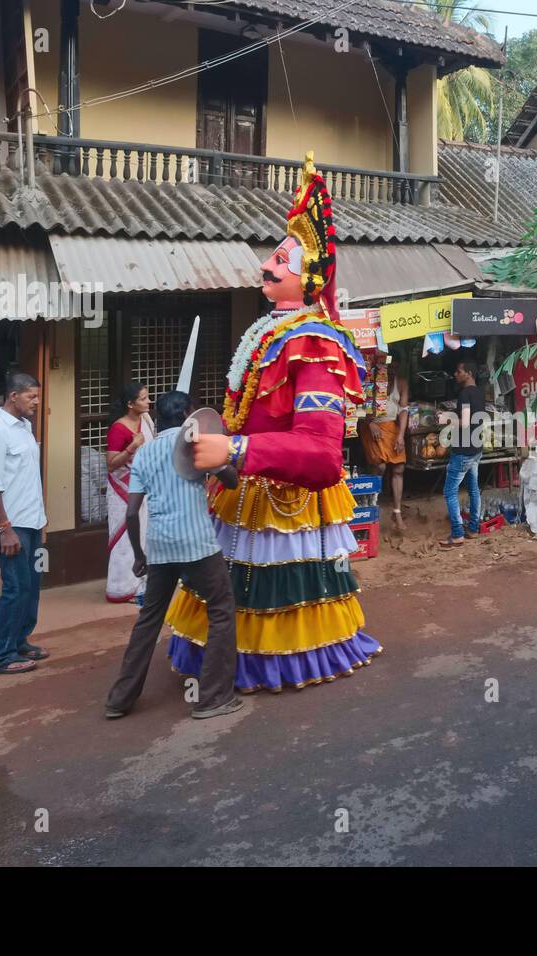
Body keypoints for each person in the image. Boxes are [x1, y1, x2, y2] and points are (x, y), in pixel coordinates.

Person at [169, 153, 381, 692]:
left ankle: (273, 668)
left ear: (310, 277)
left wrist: (237, 452)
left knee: (277, 589)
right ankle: (225, 666)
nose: (268, 265)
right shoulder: (266, 331)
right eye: (273, 254)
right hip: (240, 492)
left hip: (282, 496)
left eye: (282, 259)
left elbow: (322, 455)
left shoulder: (316, 345)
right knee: (228, 591)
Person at [105, 391, 244, 720]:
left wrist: (139, 555)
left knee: (148, 620)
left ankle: (119, 699)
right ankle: (213, 697)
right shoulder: (195, 446)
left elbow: (132, 511)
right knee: (222, 611)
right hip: (198, 545)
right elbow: (233, 481)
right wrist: (221, 460)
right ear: (187, 415)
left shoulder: (144, 453)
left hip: (159, 547)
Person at [0, 371, 49, 676]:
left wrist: (41, 521)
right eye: (31, 396)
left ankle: (19, 641)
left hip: (31, 521)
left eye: (37, 396)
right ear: (13, 396)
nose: (36, 401)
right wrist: (5, 527)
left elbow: (27, 478)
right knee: (15, 588)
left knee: (31, 587)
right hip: (11, 525)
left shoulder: (25, 428)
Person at [105, 382, 154, 603]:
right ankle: (122, 587)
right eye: (143, 399)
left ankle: (142, 583)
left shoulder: (145, 421)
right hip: (123, 490)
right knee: (126, 538)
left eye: (147, 397)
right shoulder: (118, 428)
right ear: (130, 404)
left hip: (145, 487)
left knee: (144, 533)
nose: (148, 401)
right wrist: (132, 447)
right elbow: (111, 464)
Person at [360, 357, 409, 532]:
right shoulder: (369, 380)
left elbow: (404, 411)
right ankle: (371, 506)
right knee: (379, 466)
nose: (392, 370)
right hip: (371, 426)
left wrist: (401, 436)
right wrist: (370, 422)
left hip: (392, 427)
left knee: (399, 468)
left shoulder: (402, 383)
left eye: (395, 366)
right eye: (389, 366)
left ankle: (396, 513)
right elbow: (358, 406)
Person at [439, 360, 484, 549]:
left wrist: (446, 418)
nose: (455, 375)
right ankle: (473, 528)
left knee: (449, 491)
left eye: (459, 371)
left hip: (463, 451)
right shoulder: (479, 393)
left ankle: (457, 533)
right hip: (476, 448)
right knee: (473, 489)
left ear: (469, 373)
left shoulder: (464, 394)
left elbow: (464, 423)